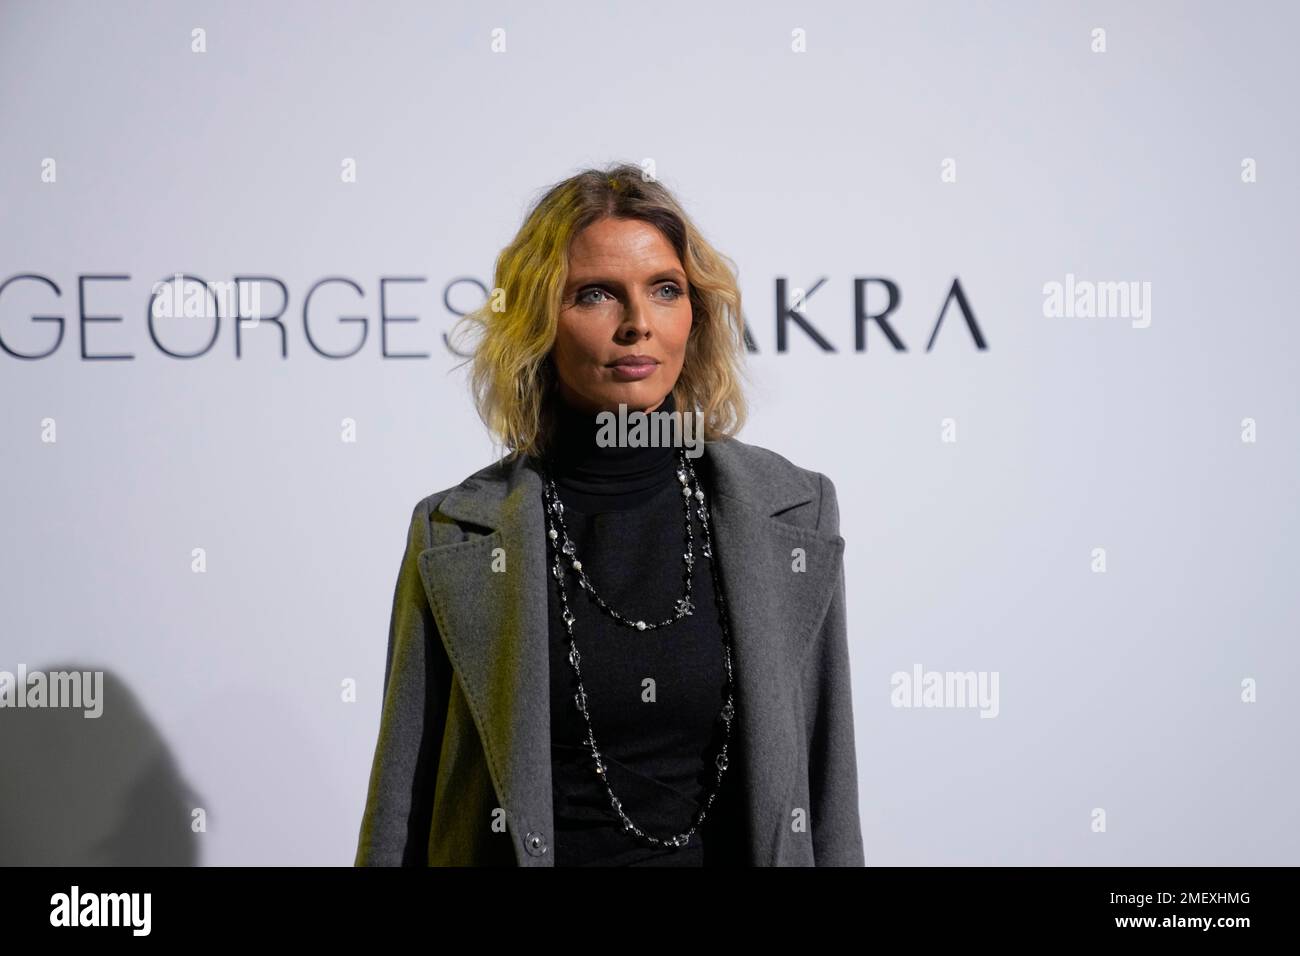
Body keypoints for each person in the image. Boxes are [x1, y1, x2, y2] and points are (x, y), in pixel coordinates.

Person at [354, 163, 864, 866]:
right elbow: (402, 805)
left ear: (697, 313)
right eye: (594, 294)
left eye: (665, 290)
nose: (637, 325)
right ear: (538, 321)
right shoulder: (456, 533)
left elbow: (827, 793)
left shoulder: (792, 510)